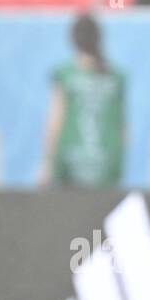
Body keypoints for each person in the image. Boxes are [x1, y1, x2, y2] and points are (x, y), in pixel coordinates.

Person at [39, 14, 126, 189]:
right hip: (106, 165)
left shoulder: (65, 74)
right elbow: (123, 129)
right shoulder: (116, 76)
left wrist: (47, 164)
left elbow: (55, 120)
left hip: (70, 164)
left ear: (73, 40)